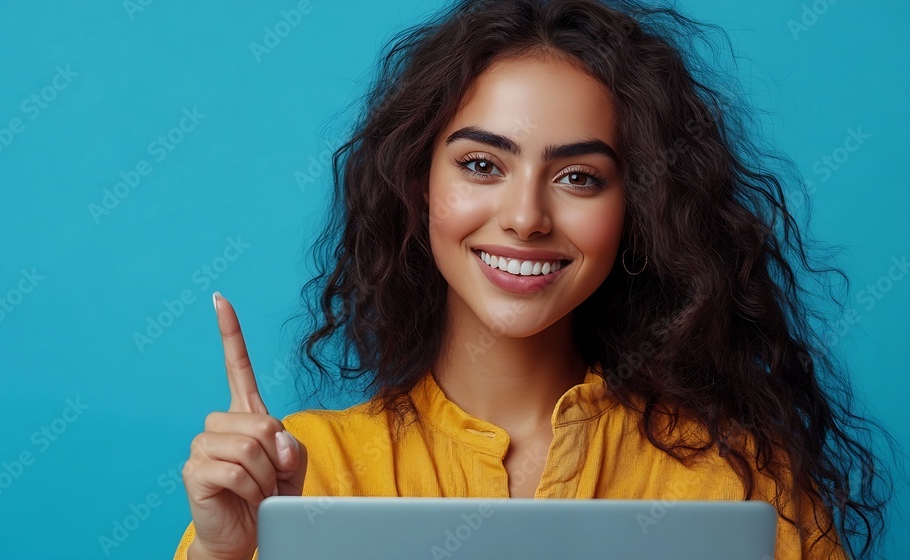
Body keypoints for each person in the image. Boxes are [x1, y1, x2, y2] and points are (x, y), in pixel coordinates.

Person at [173, 1, 894, 558]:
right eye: (482, 165)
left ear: (636, 206)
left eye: (579, 177)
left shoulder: (744, 485)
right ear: (419, 186)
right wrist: (223, 550)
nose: (525, 218)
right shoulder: (302, 476)